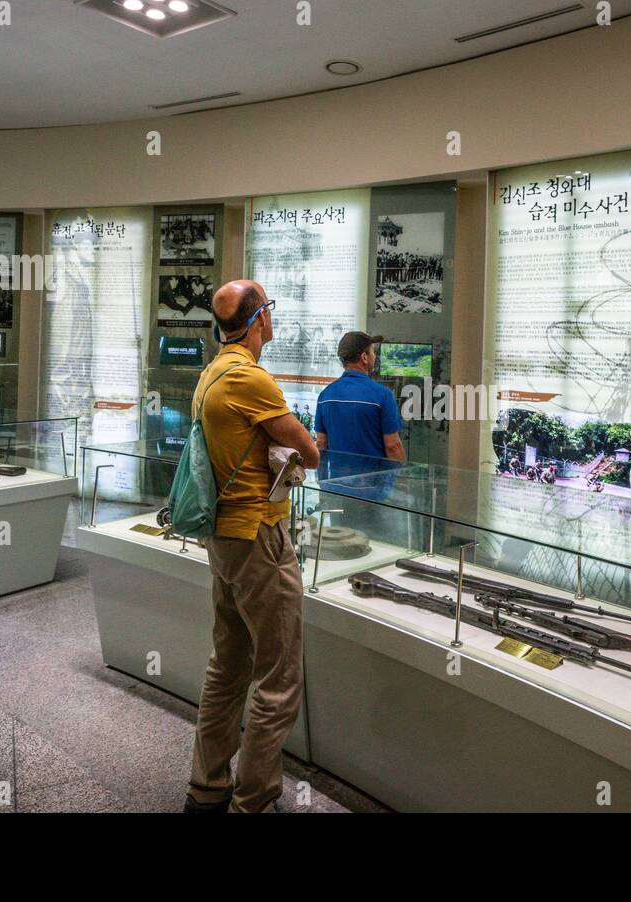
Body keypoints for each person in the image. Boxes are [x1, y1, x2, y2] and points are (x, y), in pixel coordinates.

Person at [184, 280, 320, 815]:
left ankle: (208, 787)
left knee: (228, 666)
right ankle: (253, 801)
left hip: (225, 538)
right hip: (259, 536)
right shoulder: (249, 378)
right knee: (279, 679)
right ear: (260, 318)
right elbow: (307, 452)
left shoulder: (212, 371)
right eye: (270, 309)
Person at [314, 332, 405, 463]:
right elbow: (393, 447)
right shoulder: (383, 395)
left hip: (336, 482)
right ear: (364, 357)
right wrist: (400, 479)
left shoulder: (325, 395)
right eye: (373, 352)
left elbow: (321, 443)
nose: (375, 356)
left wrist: (323, 482)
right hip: (372, 482)